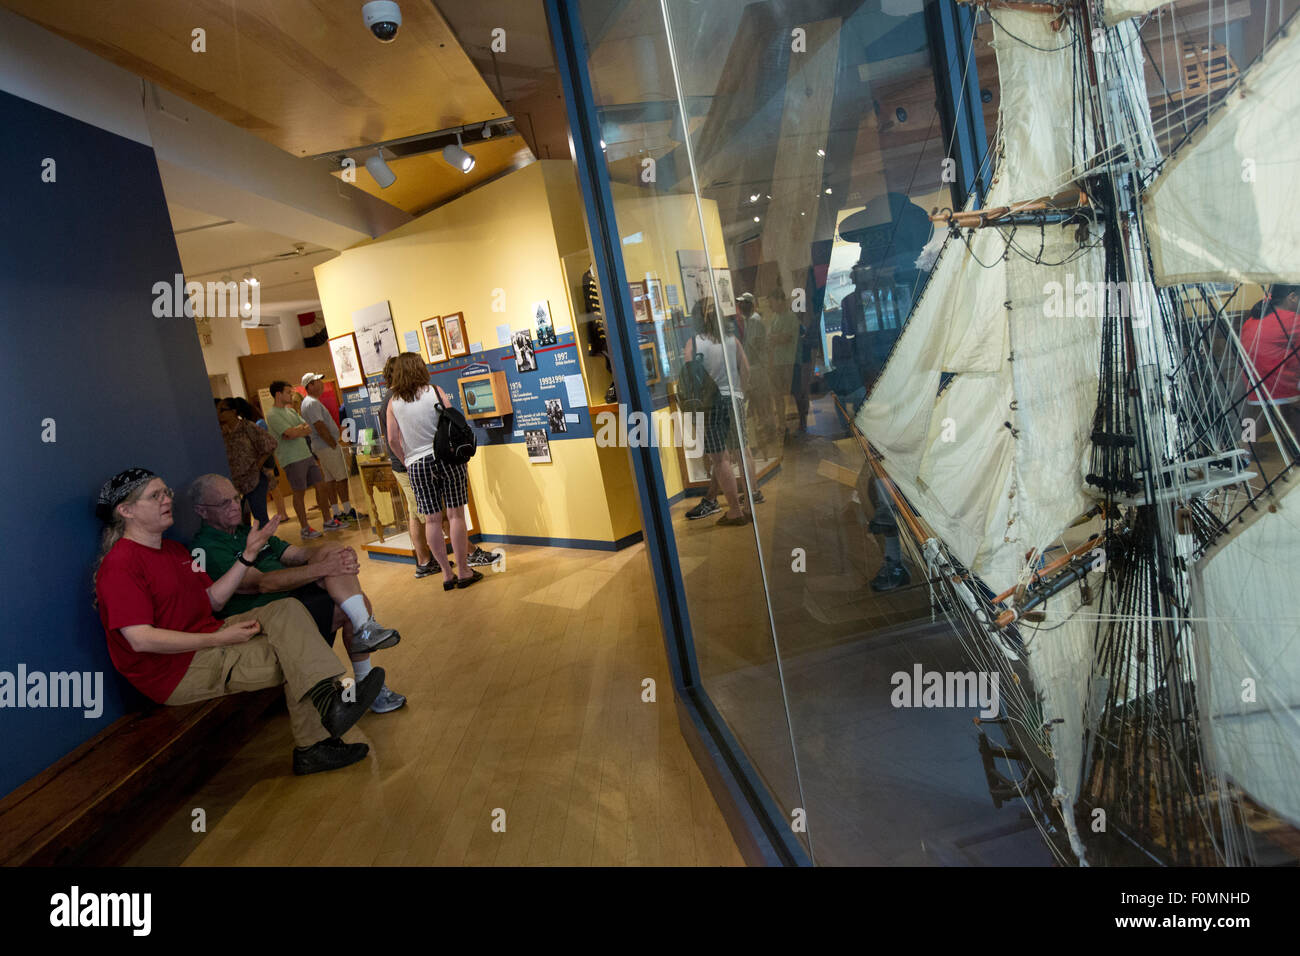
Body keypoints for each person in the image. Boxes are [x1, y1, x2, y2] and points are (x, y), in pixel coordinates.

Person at [92, 468, 385, 775]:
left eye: (167, 493)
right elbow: (141, 639)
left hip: (207, 636)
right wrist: (217, 639)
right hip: (177, 670)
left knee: (286, 609)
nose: (166, 500)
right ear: (125, 511)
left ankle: (329, 706)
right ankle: (315, 744)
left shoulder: (173, 550)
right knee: (297, 653)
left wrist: (247, 555)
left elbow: (212, 600)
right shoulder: (120, 565)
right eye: (155, 496)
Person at [189, 474, 406, 714]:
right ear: (202, 511)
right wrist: (323, 568)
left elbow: (296, 555)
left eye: (235, 499)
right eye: (223, 503)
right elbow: (262, 584)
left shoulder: (244, 532)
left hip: (291, 598)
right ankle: (368, 667)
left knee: (332, 551)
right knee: (353, 603)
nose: (233, 506)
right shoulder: (207, 547)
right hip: (269, 614)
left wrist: (336, 555)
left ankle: (365, 630)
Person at [386, 351, 484, 589]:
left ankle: (446, 574)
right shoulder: (435, 391)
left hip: (417, 464)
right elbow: (454, 422)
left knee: (431, 520)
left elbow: (392, 439)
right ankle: (463, 570)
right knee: (455, 515)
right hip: (446, 459)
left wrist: (407, 460)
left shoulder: (393, 402)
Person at [683, 302, 757, 527]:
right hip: (734, 398)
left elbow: (689, 378)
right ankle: (749, 504)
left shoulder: (694, 344)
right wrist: (740, 391)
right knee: (743, 449)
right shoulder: (732, 341)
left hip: (710, 404)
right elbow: (746, 369)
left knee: (719, 457)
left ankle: (734, 511)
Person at [380, 356, 437, 578]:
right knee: (427, 512)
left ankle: (425, 560)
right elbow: (393, 438)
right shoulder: (393, 400)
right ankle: (460, 553)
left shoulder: (394, 398)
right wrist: (407, 461)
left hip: (407, 463)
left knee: (416, 511)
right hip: (407, 465)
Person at [266, 380, 342, 538]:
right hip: (292, 459)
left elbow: (307, 428)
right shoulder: (272, 414)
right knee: (299, 492)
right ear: (278, 394)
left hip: (306, 455)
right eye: (288, 392)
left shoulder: (291, 412)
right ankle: (305, 528)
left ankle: (328, 520)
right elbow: (289, 433)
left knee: (321, 486)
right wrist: (296, 431)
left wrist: (296, 431)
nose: (291, 395)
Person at [300, 372, 363, 525]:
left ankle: (336, 511)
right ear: (310, 385)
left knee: (330, 479)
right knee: (341, 477)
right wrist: (333, 443)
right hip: (327, 446)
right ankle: (347, 511)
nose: (322, 384)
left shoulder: (309, 402)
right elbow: (319, 426)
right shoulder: (312, 403)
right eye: (317, 381)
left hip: (322, 446)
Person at [1241, 284, 1300, 441]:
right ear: (1292, 297)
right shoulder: (1291, 320)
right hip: (1275, 376)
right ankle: (1246, 447)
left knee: (1259, 413)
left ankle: (1244, 446)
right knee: (1291, 408)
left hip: (1252, 374)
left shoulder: (1261, 312)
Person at [215, 399, 278, 526]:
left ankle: (268, 544)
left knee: (260, 517)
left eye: (222, 410)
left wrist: (258, 466)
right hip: (236, 483)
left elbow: (270, 444)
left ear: (233, 411)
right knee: (241, 520)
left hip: (254, 480)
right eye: (217, 410)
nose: (219, 413)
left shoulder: (247, 426)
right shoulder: (222, 432)